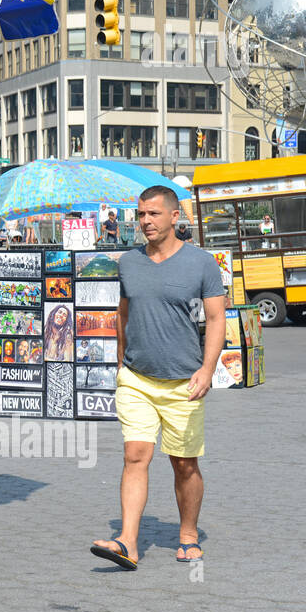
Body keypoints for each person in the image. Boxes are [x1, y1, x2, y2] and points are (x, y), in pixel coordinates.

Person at [90, 185, 226, 571]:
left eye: (152, 214)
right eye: (140, 215)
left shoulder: (201, 264)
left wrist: (207, 369)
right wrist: (121, 362)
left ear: (174, 217)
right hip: (137, 379)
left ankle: (187, 534)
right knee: (135, 455)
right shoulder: (129, 262)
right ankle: (127, 542)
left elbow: (216, 320)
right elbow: (123, 312)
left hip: (184, 381)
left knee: (184, 464)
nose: (145, 222)